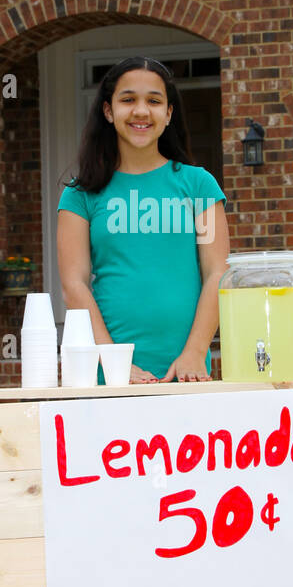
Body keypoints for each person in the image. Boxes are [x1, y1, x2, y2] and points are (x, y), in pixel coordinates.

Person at [56, 56, 230, 383]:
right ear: (108, 111)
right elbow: (73, 285)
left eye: (153, 100)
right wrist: (113, 364)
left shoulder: (199, 186)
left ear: (168, 114)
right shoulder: (79, 196)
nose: (140, 111)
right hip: (107, 376)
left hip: (188, 373)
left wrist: (194, 352)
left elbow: (217, 272)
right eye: (128, 100)